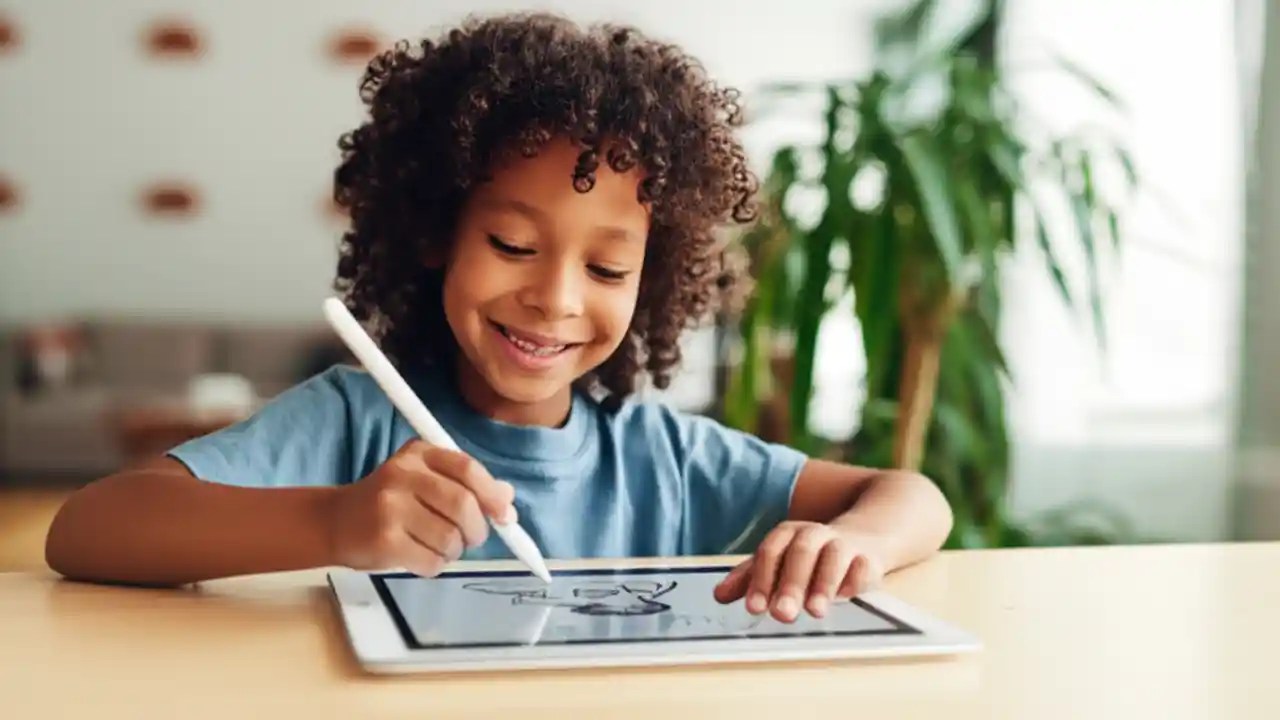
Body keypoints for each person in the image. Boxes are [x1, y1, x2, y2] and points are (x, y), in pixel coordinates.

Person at [44, 12, 952, 624]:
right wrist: (334, 522)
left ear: (655, 278)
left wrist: (848, 542)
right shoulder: (357, 425)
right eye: (514, 246)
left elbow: (915, 499)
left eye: (605, 266)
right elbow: (87, 529)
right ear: (437, 230)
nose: (556, 298)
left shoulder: (664, 457)